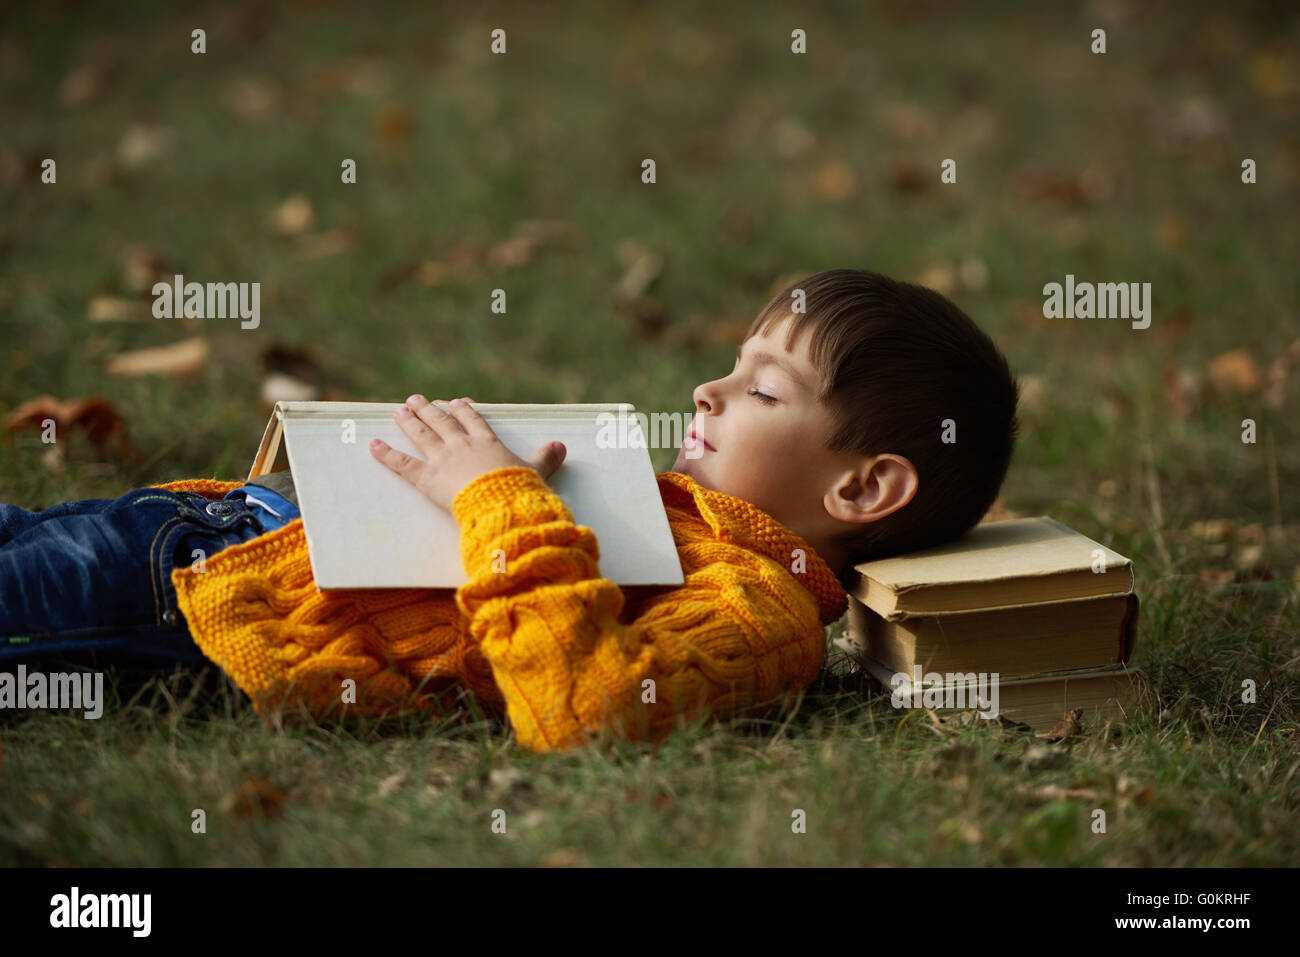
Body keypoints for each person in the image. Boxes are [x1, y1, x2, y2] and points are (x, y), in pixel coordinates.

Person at [0, 269, 1020, 753]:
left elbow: (587, 707)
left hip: (181, 602)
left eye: (762, 391)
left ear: (864, 487)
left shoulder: (754, 610)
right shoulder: (695, 513)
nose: (707, 393)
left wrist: (498, 494)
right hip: (222, 526)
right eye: (729, 367)